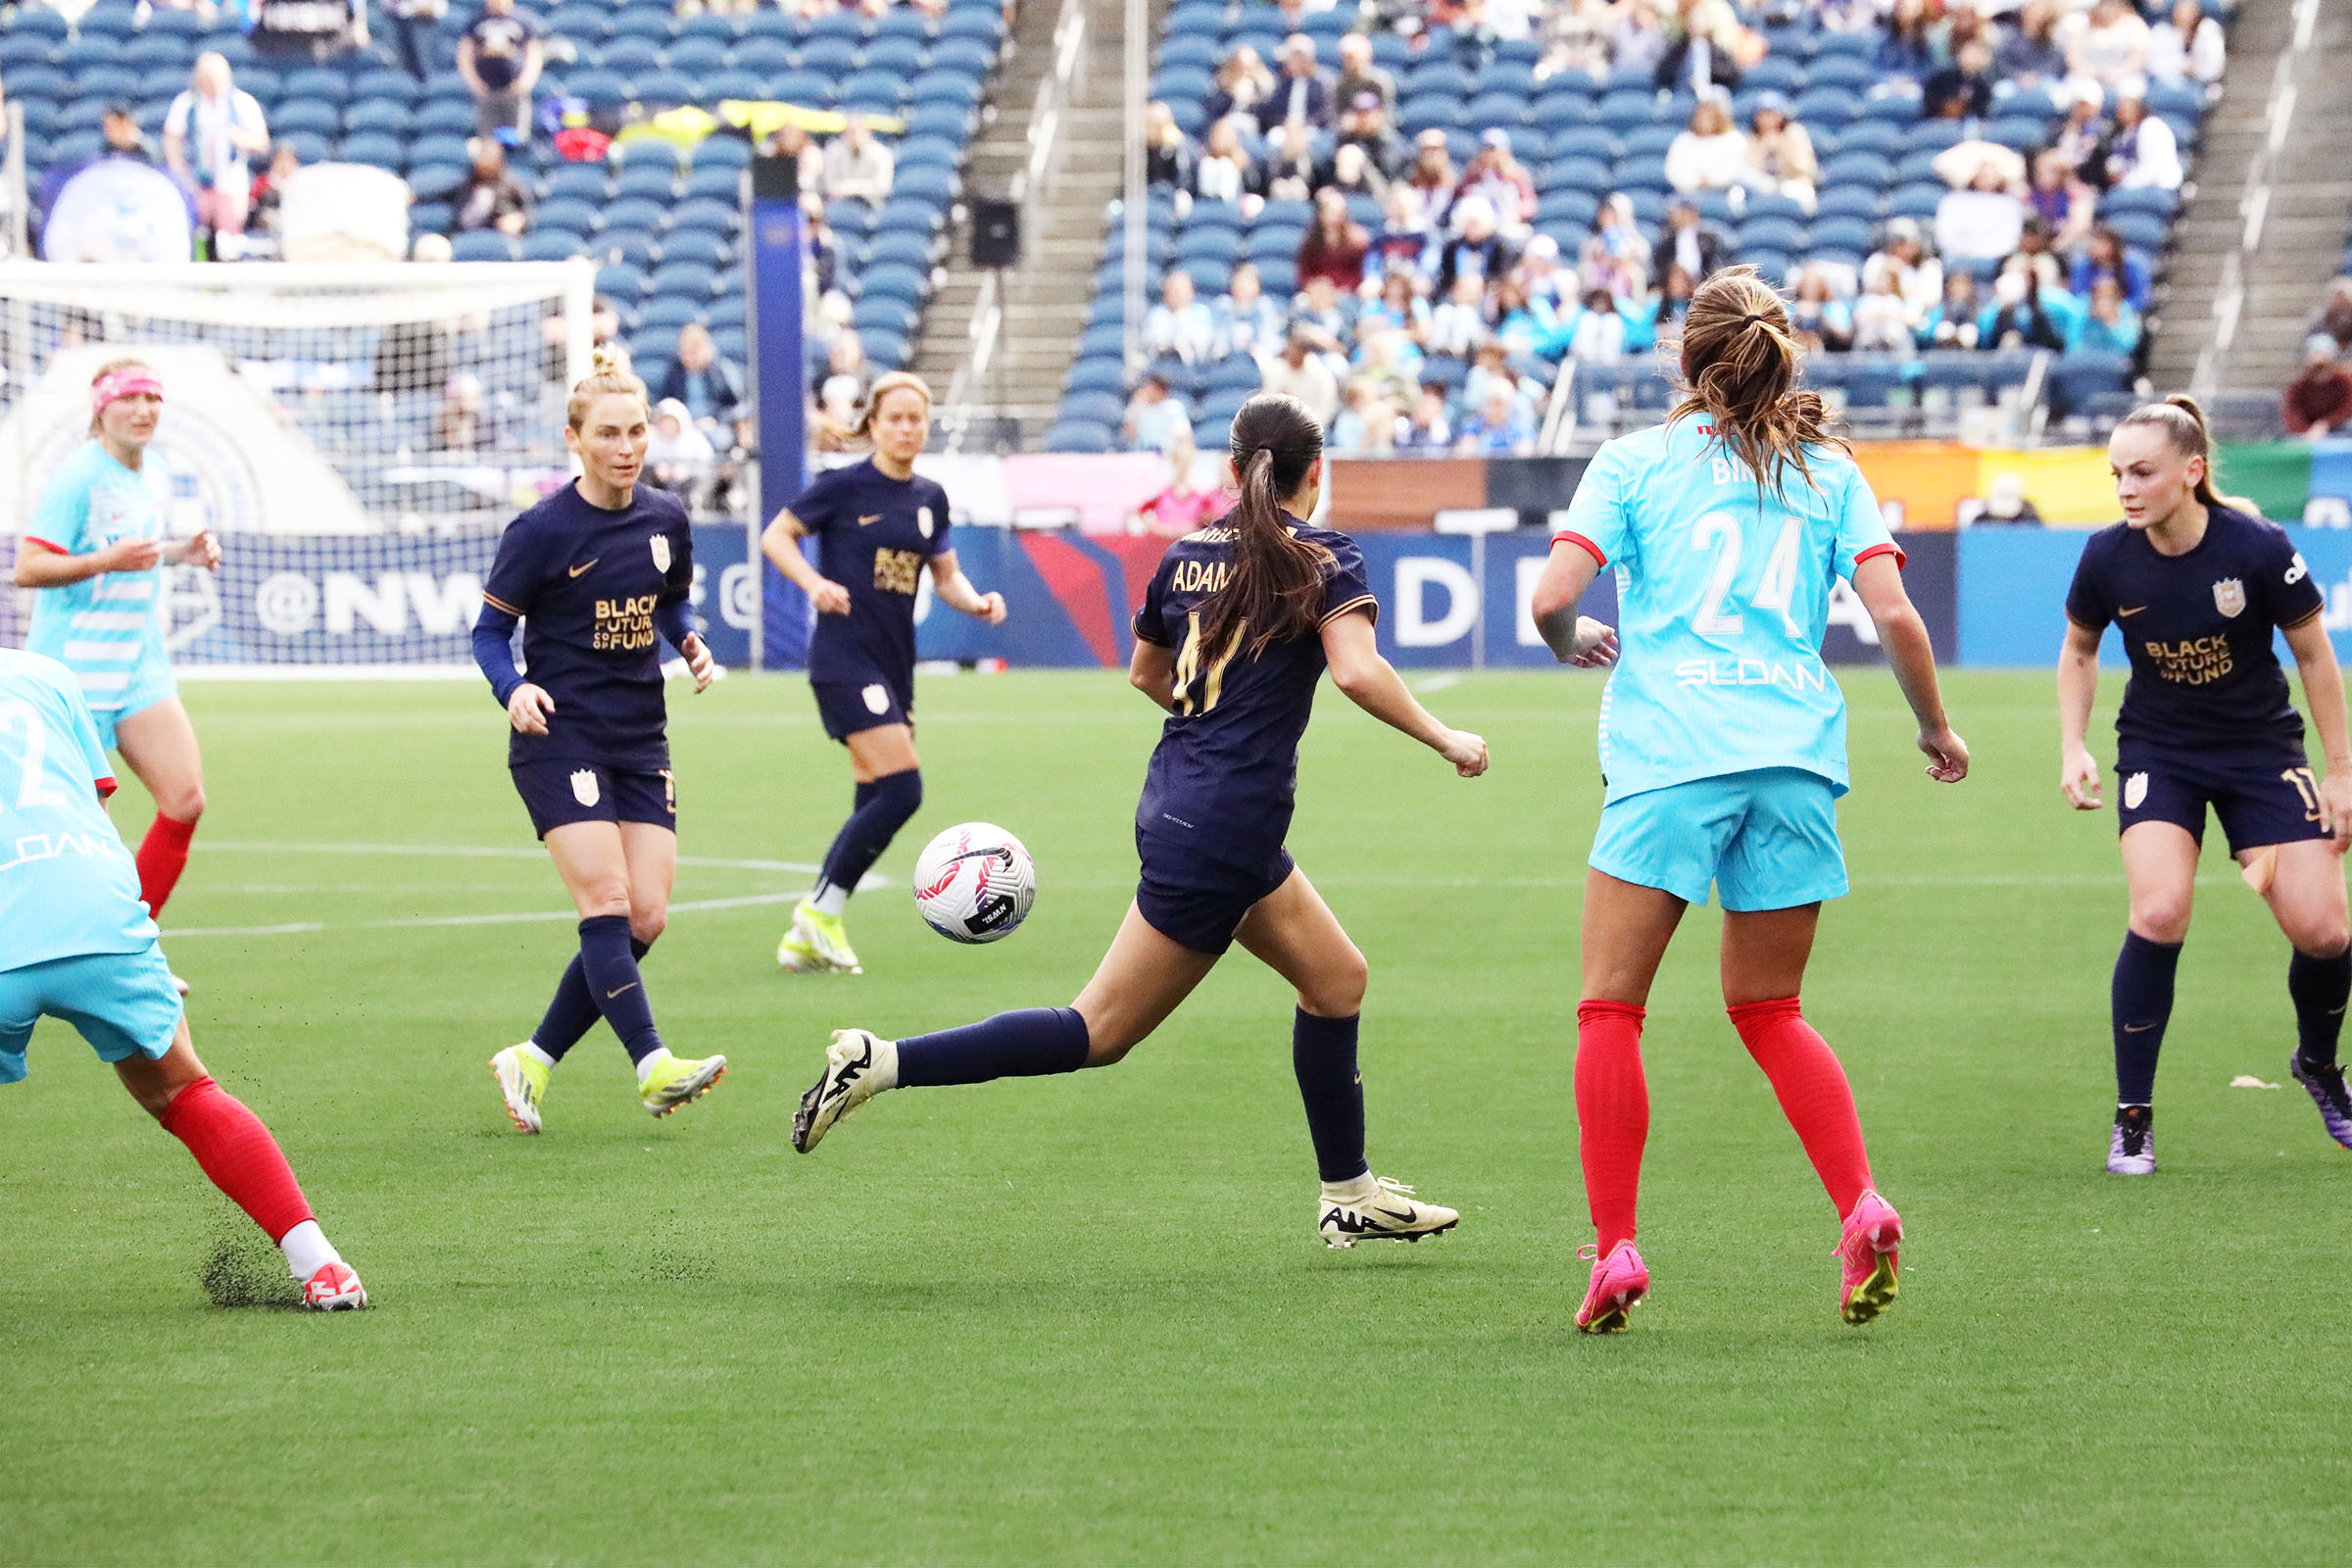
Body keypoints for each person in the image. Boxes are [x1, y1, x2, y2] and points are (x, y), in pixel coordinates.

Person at [788, 393, 1489, 1254]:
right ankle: (881, 1060)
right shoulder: (1322, 556)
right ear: (1317, 473)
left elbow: (1146, 674)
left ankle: (1348, 1193)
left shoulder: (1187, 553)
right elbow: (1354, 671)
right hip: (1223, 828)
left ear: (1233, 473)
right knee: (1098, 1031)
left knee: (1337, 978)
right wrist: (1445, 735)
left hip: (1184, 804)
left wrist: (1214, 725)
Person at [1528, 266, 1969, 1332]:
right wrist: (1932, 725)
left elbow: (1550, 598)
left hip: (1672, 755)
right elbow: (1899, 617)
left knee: (1610, 1007)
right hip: (1794, 753)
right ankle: (1861, 1201)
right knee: (1771, 1009)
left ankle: (1618, 1251)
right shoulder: (1829, 469)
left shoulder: (1634, 461)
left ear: (1685, 360)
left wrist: (1570, 637)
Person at [0, 648, 367, 1309]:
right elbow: (96, 815)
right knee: (183, 1091)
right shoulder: (45, 673)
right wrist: (140, 940)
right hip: (101, 909)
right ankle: (323, 1266)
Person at [2057, 397, 2352, 1173]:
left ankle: (2318, 1064)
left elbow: (2317, 657)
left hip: (2260, 752)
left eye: (2142, 472)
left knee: (2326, 934)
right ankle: (2133, 1117)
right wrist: (2072, 746)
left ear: (2192, 473)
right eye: (2117, 472)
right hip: (2162, 751)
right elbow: (2080, 652)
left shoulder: (2255, 546)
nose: (2125, 487)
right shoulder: (2105, 557)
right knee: (2158, 910)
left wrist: (2342, 772)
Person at [474, 349, 726, 1133]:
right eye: (609, 433)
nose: (627, 446)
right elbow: (489, 633)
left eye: (637, 430)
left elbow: (672, 605)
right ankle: (653, 1066)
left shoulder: (666, 517)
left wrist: (688, 642)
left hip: (640, 737)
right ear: (574, 440)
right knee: (607, 901)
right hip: (560, 737)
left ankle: (534, 1060)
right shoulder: (542, 529)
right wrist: (512, 688)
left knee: (645, 919)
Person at [760, 373, 1007, 975]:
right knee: (904, 789)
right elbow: (777, 536)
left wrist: (974, 602)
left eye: (916, 419)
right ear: (873, 423)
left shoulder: (930, 496)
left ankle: (806, 938)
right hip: (845, 658)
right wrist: (814, 584)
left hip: (895, 665)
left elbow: (944, 574)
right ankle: (819, 912)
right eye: (894, 418)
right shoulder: (843, 487)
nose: (906, 428)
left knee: (874, 793)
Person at [14, 362, 222, 932]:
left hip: (137, 663)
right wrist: (106, 560)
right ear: (100, 408)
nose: (143, 409)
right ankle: (65, 948)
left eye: (153, 397)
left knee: (185, 800)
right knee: (83, 835)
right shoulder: (78, 476)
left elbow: (139, 551)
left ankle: (131, 941)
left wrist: (184, 552)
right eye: (129, 397)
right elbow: (27, 569)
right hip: (75, 670)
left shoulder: (152, 472)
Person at [163, 53, 270, 260]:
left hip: (230, 183)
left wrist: (240, 138)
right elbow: (172, 136)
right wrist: (177, 165)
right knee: (197, 238)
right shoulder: (187, 103)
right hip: (196, 183)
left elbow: (261, 140)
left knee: (227, 244)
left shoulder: (241, 102)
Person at [458, 0, 545, 142]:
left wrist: (525, 81)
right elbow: (465, 53)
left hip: (514, 90)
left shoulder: (522, 19)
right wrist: (474, 82)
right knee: (487, 140)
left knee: (517, 139)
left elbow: (534, 53)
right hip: (486, 90)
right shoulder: (476, 21)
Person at [653, 322, 747, 434]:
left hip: (716, 429)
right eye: (684, 352)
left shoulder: (721, 371)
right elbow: (664, 403)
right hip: (683, 431)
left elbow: (738, 406)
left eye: (692, 352)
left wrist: (716, 420)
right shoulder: (674, 372)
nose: (687, 357)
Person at [449, 136, 531, 235]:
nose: (486, 160)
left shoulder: (511, 185)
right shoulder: (468, 183)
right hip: (466, 236)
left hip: (501, 236)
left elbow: (528, 211)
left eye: (490, 155)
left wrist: (519, 220)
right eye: (483, 155)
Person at [822, 115, 895, 207]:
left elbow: (883, 187)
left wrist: (850, 187)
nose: (852, 135)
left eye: (855, 131)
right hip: (839, 202)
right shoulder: (834, 151)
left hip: (871, 204)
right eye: (848, 131)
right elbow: (830, 185)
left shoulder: (881, 153)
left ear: (867, 132)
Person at [2148, 0, 2226, 87]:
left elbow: (2215, 66)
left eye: (2190, 10)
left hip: (2201, 83)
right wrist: (2181, 68)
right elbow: (2153, 65)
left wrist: (2196, 71)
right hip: (2165, 81)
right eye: (2181, 10)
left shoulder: (2208, 29)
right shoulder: (2161, 30)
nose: (2185, 15)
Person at [2284, 339, 2352, 437]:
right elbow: (2292, 412)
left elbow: (2347, 409)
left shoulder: (2344, 382)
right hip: (2307, 432)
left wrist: (2325, 423)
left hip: (2338, 429)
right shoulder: (2299, 386)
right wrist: (2306, 430)